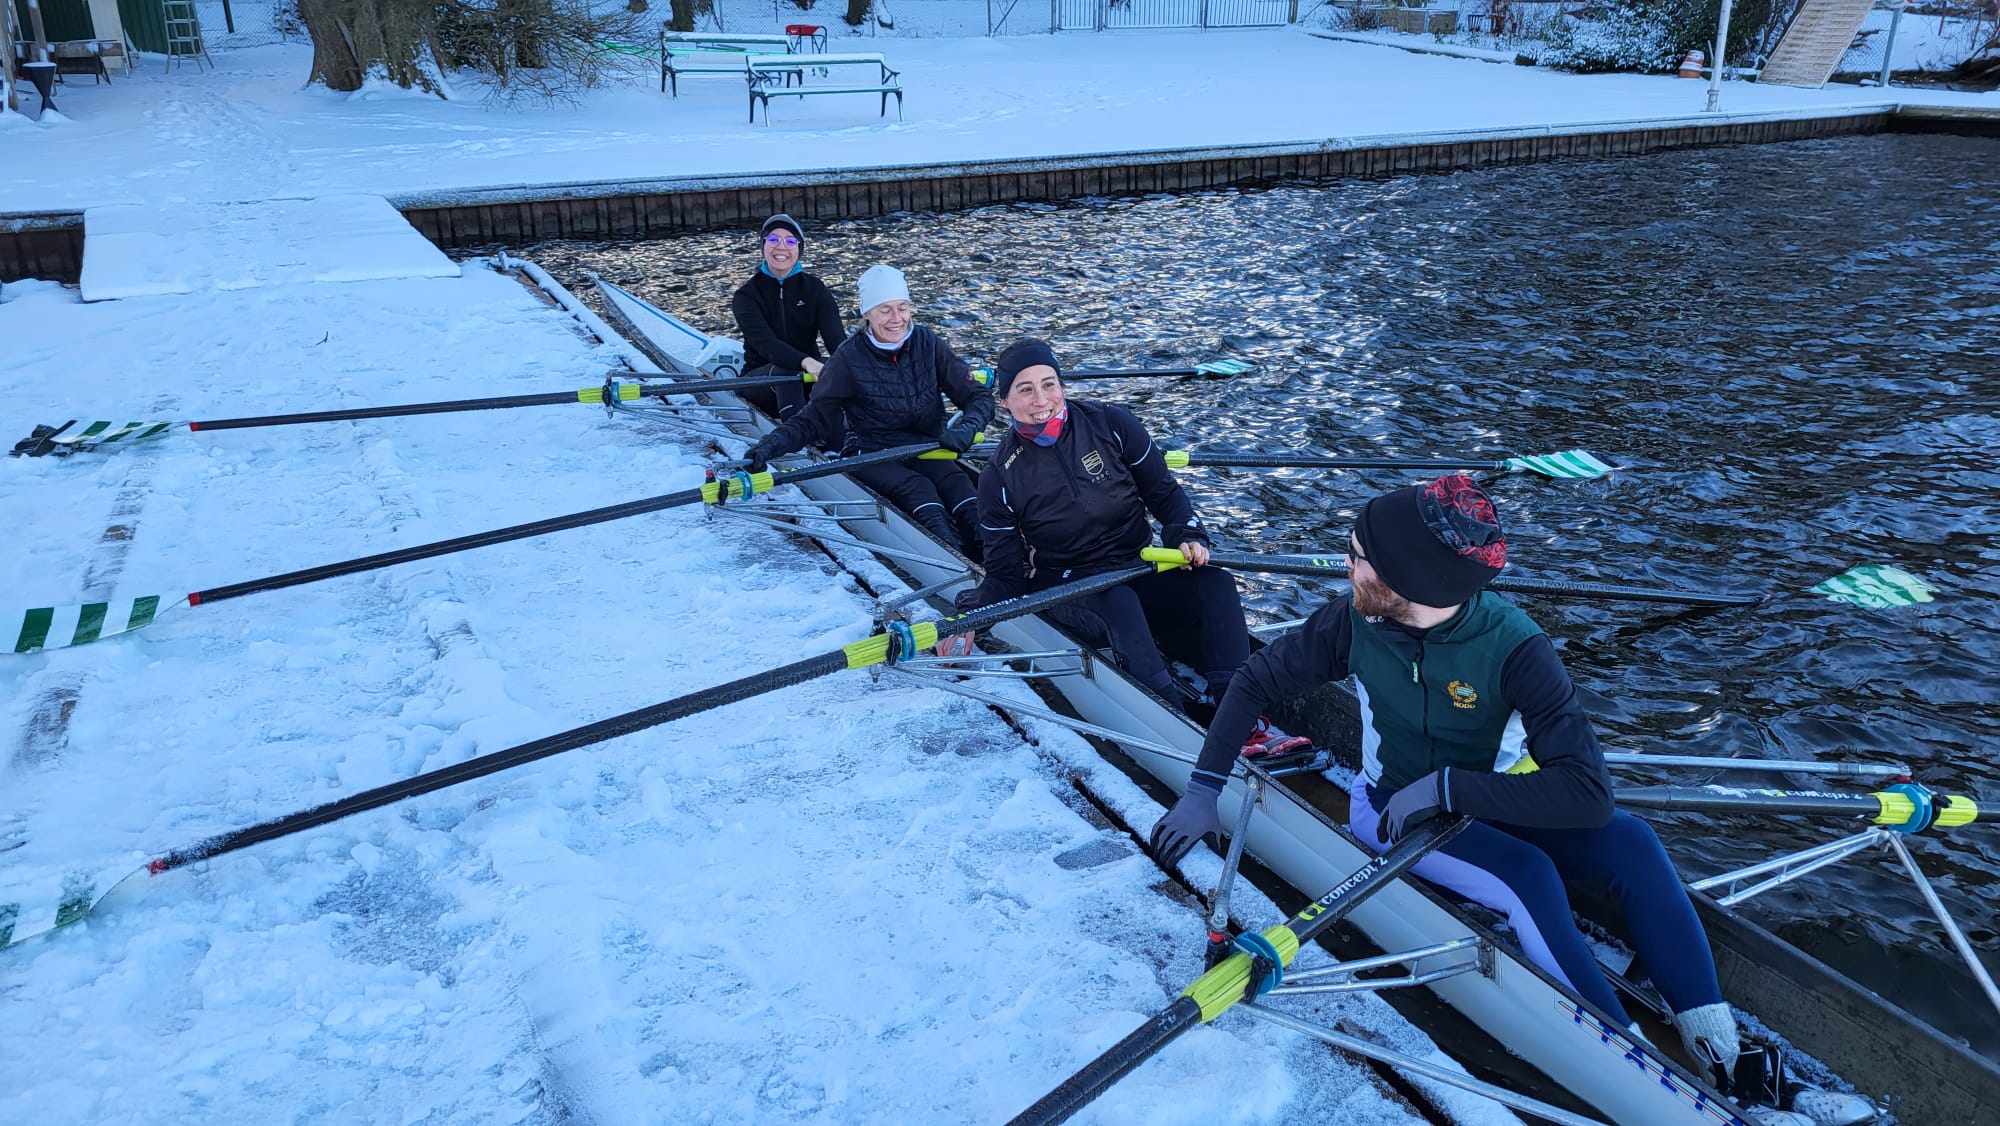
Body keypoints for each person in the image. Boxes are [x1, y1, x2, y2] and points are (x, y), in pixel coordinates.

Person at [1146, 475, 1866, 1126]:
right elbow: (1252, 683)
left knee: (1634, 843)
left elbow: (1587, 792)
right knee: (1528, 876)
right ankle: (1653, 1068)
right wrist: (1204, 791)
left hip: (1489, 797)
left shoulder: (1518, 647)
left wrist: (1454, 787)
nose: (1347, 564)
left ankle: (1724, 1055)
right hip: (1393, 810)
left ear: (1408, 579)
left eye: (1360, 555)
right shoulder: (1351, 620)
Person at [943, 339, 1250, 714]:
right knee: (1119, 601)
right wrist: (971, 614)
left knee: (1215, 582)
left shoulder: (1112, 424)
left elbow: (1166, 496)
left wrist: (1187, 536)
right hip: (1069, 588)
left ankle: (1240, 713)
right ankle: (1174, 718)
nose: (1041, 400)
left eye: (1049, 384)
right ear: (1004, 402)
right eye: (1025, 389)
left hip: (1136, 565)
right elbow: (1004, 576)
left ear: (1062, 387)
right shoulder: (999, 476)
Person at [742, 264, 993, 557]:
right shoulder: (848, 358)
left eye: (902, 307)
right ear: (867, 314)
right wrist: (769, 446)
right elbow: (813, 419)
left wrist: (969, 426)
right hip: (872, 453)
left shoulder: (928, 343)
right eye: (884, 310)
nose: (896, 319)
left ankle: (995, 558)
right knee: (919, 489)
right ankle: (956, 566)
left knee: (959, 485)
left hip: (927, 446)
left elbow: (978, 398)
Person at [729, 214, 846, 422]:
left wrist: (861, 365)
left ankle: (842, 444)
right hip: (761, 384)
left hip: (809, 377)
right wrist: (806, 362)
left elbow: (836, 340)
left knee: (843, 364)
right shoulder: (746, 296)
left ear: (799, 249)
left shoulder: (815, 289)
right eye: (773, 239)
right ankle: (797, 439)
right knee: (786, 368)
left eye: (790, 241)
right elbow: (768, 346)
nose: (781, 246)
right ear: (763, 245)